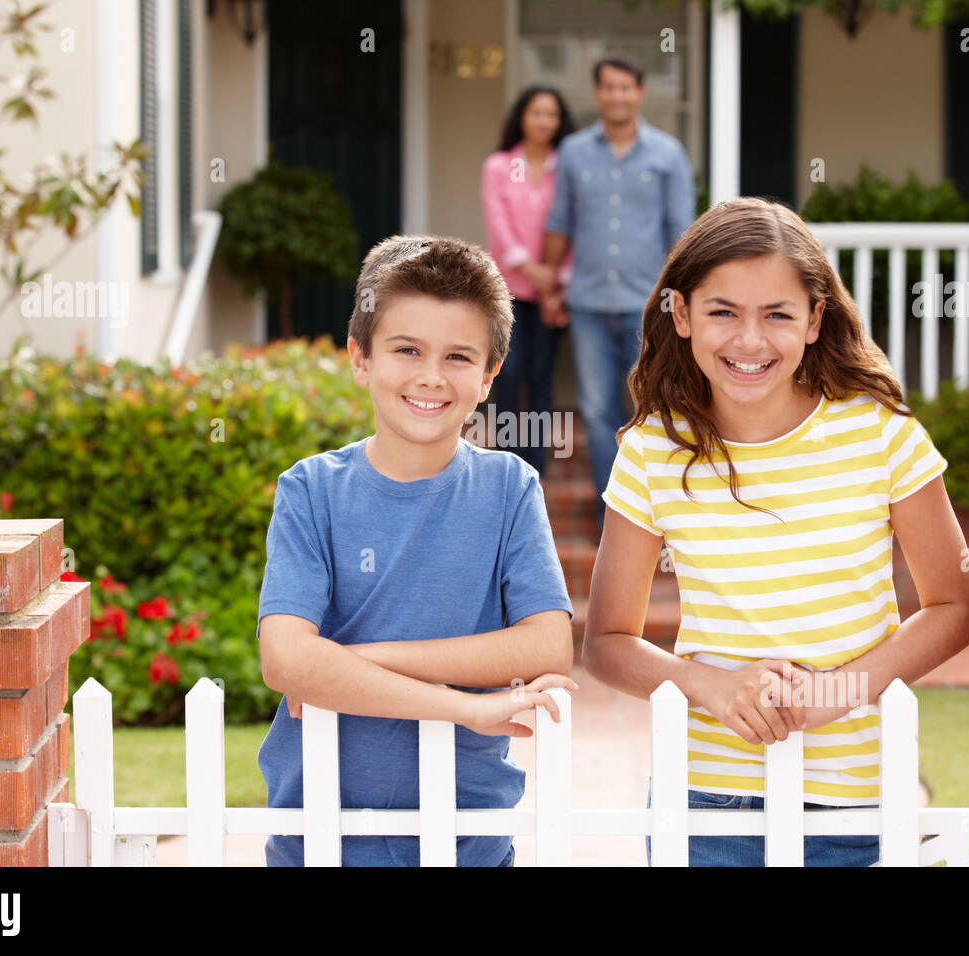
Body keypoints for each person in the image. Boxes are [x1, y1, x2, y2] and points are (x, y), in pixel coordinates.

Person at [581, 197, 969, 867]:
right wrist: (710, 686)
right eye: (723, 312)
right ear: (680, 314)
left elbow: (955, 605)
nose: (749, 341)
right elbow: (607, 642)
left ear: (815, 318)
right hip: (707, 804)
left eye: (777, 315)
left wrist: (840, 690)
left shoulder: (880, 432)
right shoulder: (653, 450)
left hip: (856, 803)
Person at [256, 235, 577, 867]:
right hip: (322, 839)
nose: (431, 377)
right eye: (407, 350)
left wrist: (349, 663)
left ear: (487, 378)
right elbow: (285, 659)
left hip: (467, 843)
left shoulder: (510, 490)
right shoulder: (310, 491)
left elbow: (547, 645)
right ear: (360, 358)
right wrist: (462, 706)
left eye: (459, 357)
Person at [542, 51, 694, 529]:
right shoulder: (573, 152)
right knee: (596, 407)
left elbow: (681, 232)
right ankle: (613, 513)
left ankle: (659, 510)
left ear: (640, 92)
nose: (617, 95)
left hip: (647, 305)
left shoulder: (668, 153)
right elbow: (560, 222)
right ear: (598, 93)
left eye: (626, 87)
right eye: (608, 87)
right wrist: (548, 285)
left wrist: (681, 297)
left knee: (652, 405)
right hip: (587, 300)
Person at [480, 85, 576, 476]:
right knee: (509, 372)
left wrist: (557, 278)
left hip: (553, 293)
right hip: (507, 292)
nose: (543, 121)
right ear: (522, 116)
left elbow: (574, 225)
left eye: (551, 114)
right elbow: (499, 229)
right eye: (536, 112)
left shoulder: (566, 168)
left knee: (540, 378)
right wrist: (534, 271)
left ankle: (534, 467)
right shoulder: (500, 166)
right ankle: (506, 464)